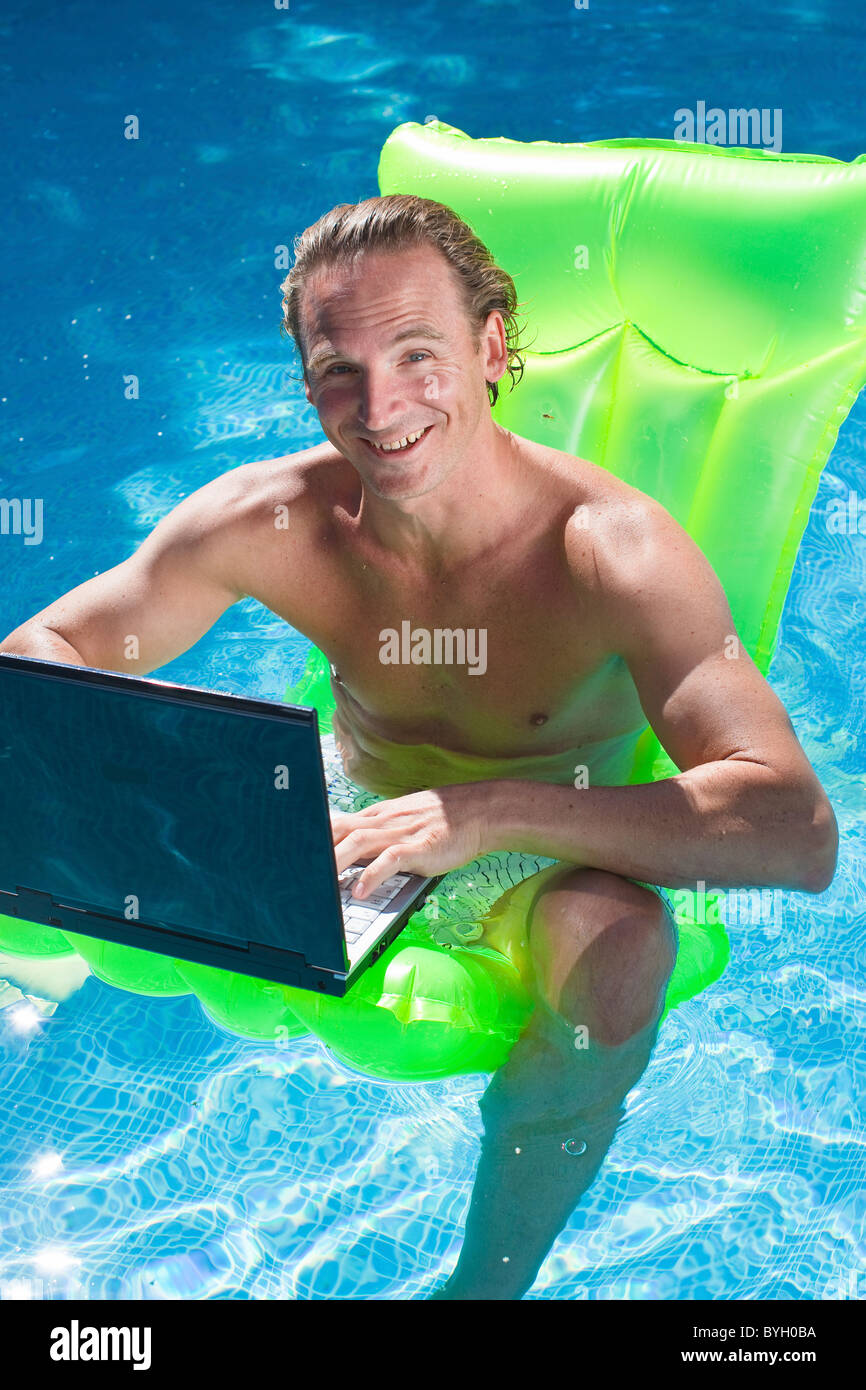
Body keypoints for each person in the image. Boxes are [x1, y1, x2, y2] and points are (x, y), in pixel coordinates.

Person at [1, 195, 837, 1299]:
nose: (379, 407)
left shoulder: (610, 552)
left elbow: (793, 827)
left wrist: (488, 814)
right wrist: (201, 797)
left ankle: (483, 1290)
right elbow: (44, 652)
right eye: (337, 368)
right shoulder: (273, 519)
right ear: (304, 382)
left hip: (554, 840)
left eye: (416, 354)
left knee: (625, 943)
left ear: (491, 349)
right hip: (356, 820)